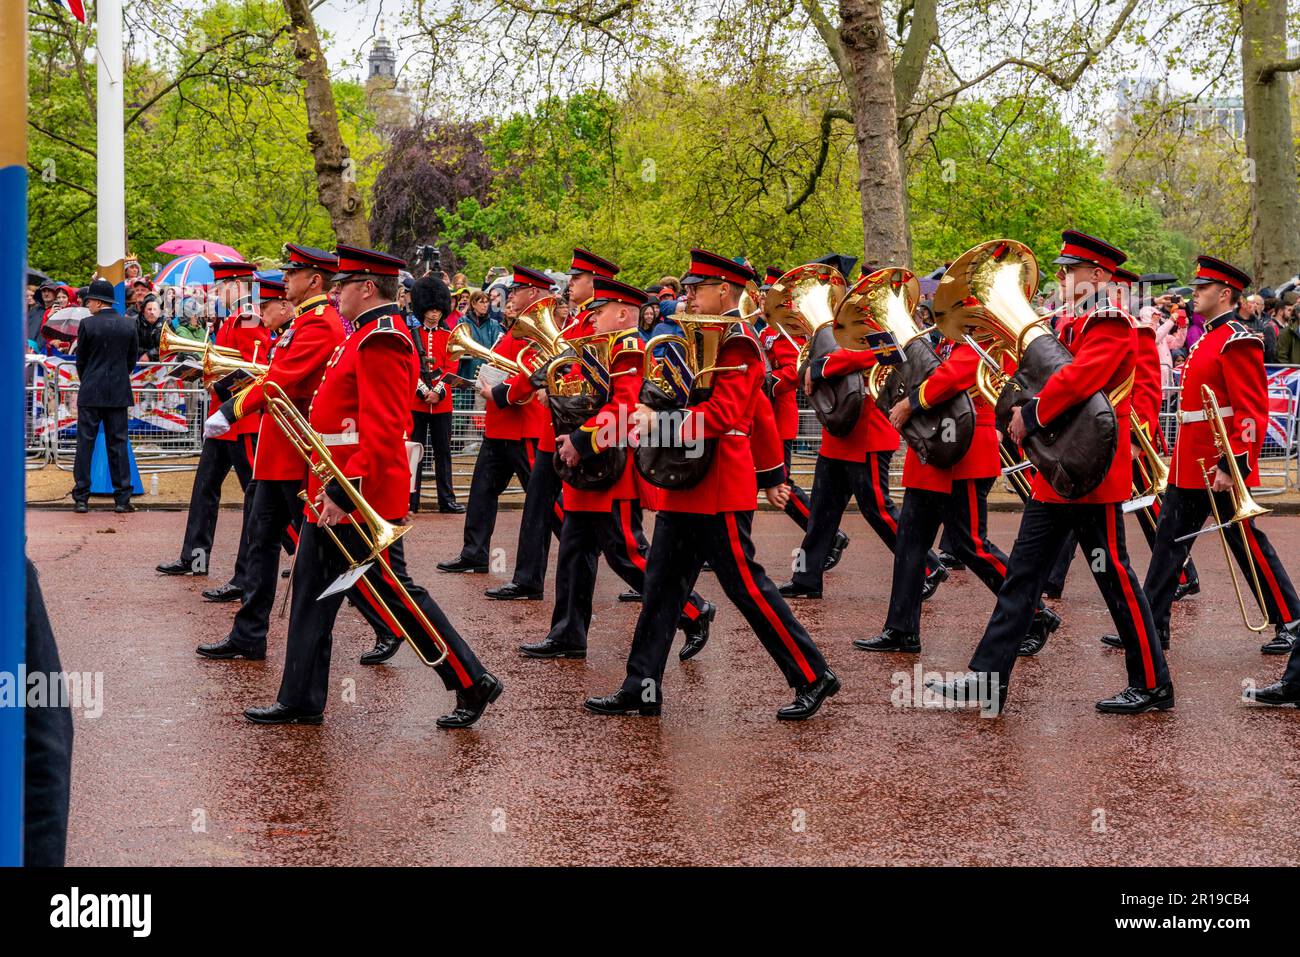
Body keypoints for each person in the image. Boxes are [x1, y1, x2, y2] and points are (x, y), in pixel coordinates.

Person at [243, 244, 502, 730]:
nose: (334, 293)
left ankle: (470, 678)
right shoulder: (361, 335)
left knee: (396, 594)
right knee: (311, 594)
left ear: (367, 288)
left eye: (342, 286)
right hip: (334, 486)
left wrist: (343, 494)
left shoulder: (381, 339)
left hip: (359, 494)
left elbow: (383, 429)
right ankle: (300, 696)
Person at [585, 249, 838, 721]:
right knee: (660, 589)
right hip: (690, 485)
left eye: (696, 289)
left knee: (747, 587)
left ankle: (812, 673)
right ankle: (641, 686)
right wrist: (772, 474)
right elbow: (755, 414)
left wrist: (657, 424)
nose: (688, 297)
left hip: (719, 485)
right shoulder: (702, 339)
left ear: (725, 291)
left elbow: (725, 417)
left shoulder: (738, 343)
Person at [930, 230, 1172, 715]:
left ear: (1099, 277)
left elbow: (1080, 380)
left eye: (1070, 270)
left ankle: (1152, 682)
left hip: (1092, 467)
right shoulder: (1071, 324)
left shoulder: (1110, 321)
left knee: (1116, 577)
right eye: (1061, 270)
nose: (1061, 277)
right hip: (1058, 468)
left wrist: (1033, 413)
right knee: (1022, 575)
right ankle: (987, 679)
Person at [1137, 256, 1300, 664]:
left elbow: (1251, 409)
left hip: (1218, 465)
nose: (1194, 295)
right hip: (1191, 462)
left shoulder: (1237, 339)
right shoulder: (1208, 338)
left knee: (1245, 542)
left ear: (1224, 293)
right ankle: (1151, 627)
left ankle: (1292, 622)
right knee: (1168, 544)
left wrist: (1234, 465)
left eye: (1201, 289)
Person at [858, 335, 1061, 655]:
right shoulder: (945, 336)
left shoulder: (984, 337)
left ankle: (1034, 613)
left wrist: (911, 402)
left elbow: (955, 375)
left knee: (972, 546)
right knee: (910, 544)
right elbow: (926, 369)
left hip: (962, 451)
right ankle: (902, 629)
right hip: (931, 449)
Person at [487, 250, 615, 601]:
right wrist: (521, 390)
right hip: (554, 426)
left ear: (596, 281)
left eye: (577, 278)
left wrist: (537, 391)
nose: (570, 283)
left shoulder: (596, 323)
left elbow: (585, 372)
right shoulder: (576, 322)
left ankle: (673, 597)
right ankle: (528, 578)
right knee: (538, 504)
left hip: (580, 428)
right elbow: (548, 365)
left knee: (609, 530)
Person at [155, 262, 269, 580]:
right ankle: (195, 558)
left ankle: (293, 554)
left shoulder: (249, 318)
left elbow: (252, 370)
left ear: (236, 284)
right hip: (222, 421)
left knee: (260, 499)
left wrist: (216, 385)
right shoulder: (233, 318)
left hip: (240, 419)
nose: (216, 293)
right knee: (204, 490)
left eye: (220, 287)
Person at [437, 267, 544, 574]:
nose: (510, 297)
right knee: (482, 492)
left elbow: (532, 373)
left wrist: (500, 394)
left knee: (544, 500)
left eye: (517, 291)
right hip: (500, 425)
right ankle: (474, 552)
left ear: (532, 293)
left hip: (522, 425)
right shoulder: (517, 326)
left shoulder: (535, 327)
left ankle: (577, 542)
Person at [71, 279, 137, 513]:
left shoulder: (87, 324)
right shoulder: (129, 325)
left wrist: (88, 378)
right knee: (118, 444)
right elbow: (132, 360)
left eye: (89, 300)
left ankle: (81, 497)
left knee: (84, 444)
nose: (87, 304)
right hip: (118, 391)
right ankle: (122, 498)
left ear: (98, 302)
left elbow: (81, 360)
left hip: (91, 390)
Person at [408, 274, 462, 513]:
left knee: (443, 453)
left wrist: (438, 391)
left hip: (442, 403)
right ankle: (411, 499)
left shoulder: (447, 336)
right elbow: (410, 366)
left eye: (438, 309)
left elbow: (452, 367)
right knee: (415, 453)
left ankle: (446, 499)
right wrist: (423, 391)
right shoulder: (413, 335)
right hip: (417, 403)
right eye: (430, 310)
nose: (435, 314)